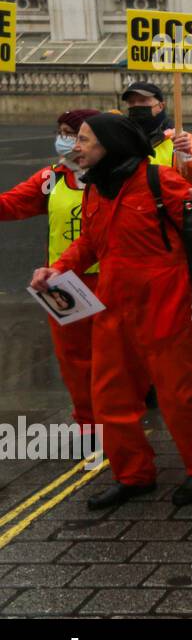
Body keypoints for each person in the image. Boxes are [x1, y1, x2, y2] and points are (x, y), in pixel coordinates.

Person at [30, 114, 192, 509]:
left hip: (165, 307)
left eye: (84, 140)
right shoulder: (97, 188)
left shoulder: (160, 181)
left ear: (110, 146)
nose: (75, 147)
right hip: (113, 308)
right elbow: (89, 243)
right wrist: (59, 268)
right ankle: (133, 475)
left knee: (178, 396)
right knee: (109, 398)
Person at [0, 108, 100, 429]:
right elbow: (11, 204)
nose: (64, 140)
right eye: (61, 132)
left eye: (72, 133)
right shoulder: (53, 176)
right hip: (65, 282)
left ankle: (123, 414)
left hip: (112, 279)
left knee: (118, 357)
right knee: (73, 360)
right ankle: (87, 422)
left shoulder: (117, 176)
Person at [120, 82, 192, 188]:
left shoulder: (183, 140)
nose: (136, 105)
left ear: (161, 106)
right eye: (131, 102)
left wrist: (187, 156)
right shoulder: (121, 138)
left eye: (143, 100)